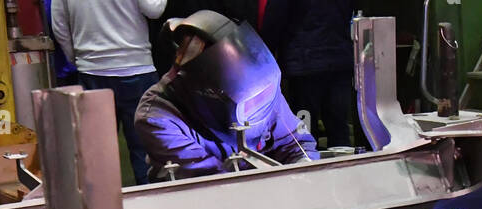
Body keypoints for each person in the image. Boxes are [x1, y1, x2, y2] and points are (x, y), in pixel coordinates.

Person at [134, 10, 318, 181]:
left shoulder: (262, 85)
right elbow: (213, 181)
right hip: (200, 206)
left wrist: (305, 173)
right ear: (207, 90)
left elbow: (296, 142)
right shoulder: (158, 115)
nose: (255, 109)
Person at [51, 0, 167, 184]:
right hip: (136, 69)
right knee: (146, 154)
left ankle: (102, 208)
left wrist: (78, 58)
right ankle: (151, 205)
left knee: (97, 157)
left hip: (91, 72)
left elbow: (59, 24)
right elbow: (154, 9)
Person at [261, 0, 357, 149]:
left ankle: (306, 163)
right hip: (338, 60)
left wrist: (264, 56)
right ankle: (345, 168)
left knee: (304, 130)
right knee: (339, 129)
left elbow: (274, 21)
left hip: (304, 65)